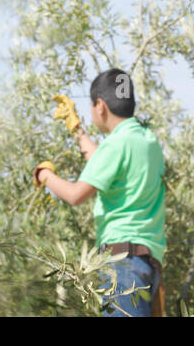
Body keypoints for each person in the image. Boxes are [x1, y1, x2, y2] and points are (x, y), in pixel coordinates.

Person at [35, 69, 166, 316]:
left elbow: (76, 194)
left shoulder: (116, 145)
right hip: (148, 265)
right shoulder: (147, 140)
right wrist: (76, 129)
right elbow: (104, 165)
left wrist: (44, 175)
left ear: (101, 106)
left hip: (123, 265)